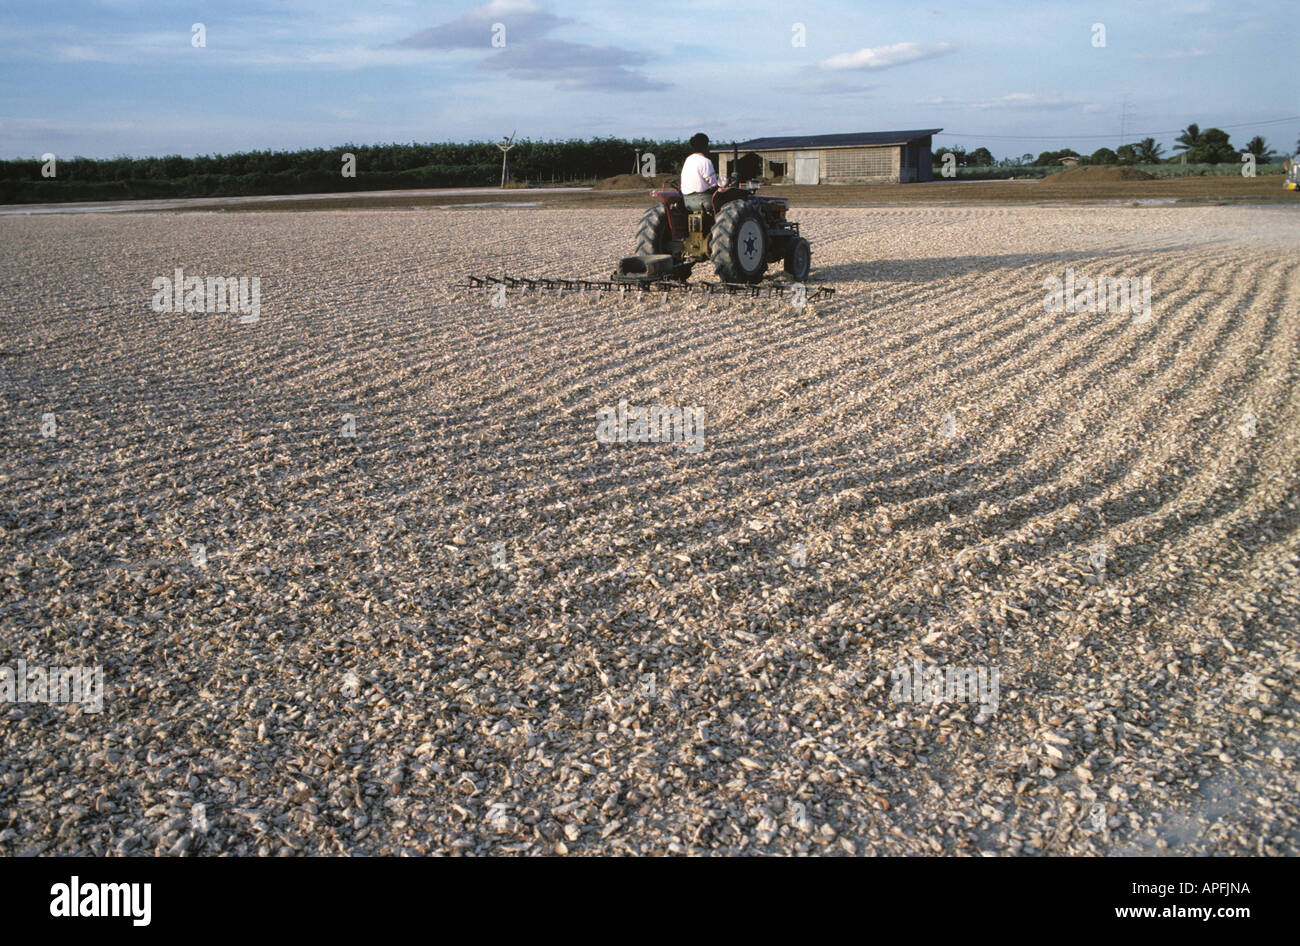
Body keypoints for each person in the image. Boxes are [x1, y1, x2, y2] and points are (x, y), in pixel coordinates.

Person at [681, 133, 723, 212]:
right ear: (705, 146)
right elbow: (713, 183)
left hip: (687, 201)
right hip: (705, 200)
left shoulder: (688, 160)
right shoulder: (705, 161)